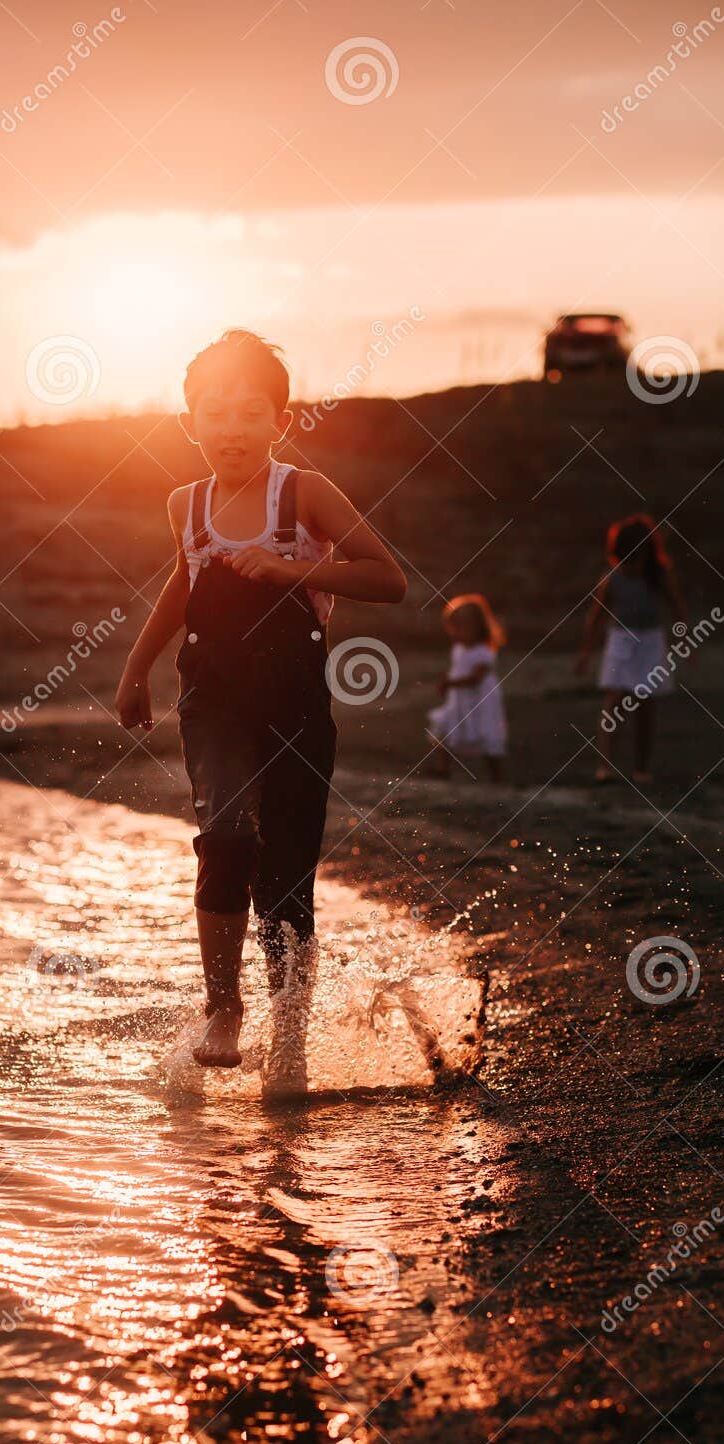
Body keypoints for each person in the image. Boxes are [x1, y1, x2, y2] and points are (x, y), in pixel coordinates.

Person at [114, 329, 406, 1068]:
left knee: (285, 874)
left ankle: (290, 1034)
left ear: (279, 421)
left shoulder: (302, 492)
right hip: (211, 696)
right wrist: (136, 666)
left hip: (293, 698)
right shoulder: (184, 502)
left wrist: (293, 574)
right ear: (189, 423)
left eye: (250, 413)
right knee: (223, 835)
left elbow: (387, 578)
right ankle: (223, 1010)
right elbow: (181, 587)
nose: (231, 429)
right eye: (214, 413)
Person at [576, 514, 686, 785]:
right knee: (614, 701)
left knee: (646, 705)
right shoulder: (612, 578)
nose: (634, 565)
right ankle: (606, 766)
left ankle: (641, 769)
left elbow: (677, 607)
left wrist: (686, 641)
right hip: (621, 641)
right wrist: (586, 653)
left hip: (650, 641)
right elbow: (596, 616)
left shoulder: (660, 575)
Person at [426, 594, 508, 781]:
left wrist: (450, 683)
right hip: (459, 700)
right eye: (452, 628)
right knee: (445, 728)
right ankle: (443, 769)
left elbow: (475, 679)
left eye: (459, 629)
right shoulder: (459, 648)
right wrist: (447, 681)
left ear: (477, 628)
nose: (454, 633)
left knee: (486, 734)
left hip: (479, 701)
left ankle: (497, 776)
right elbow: (457, 671)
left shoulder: (483, 651)